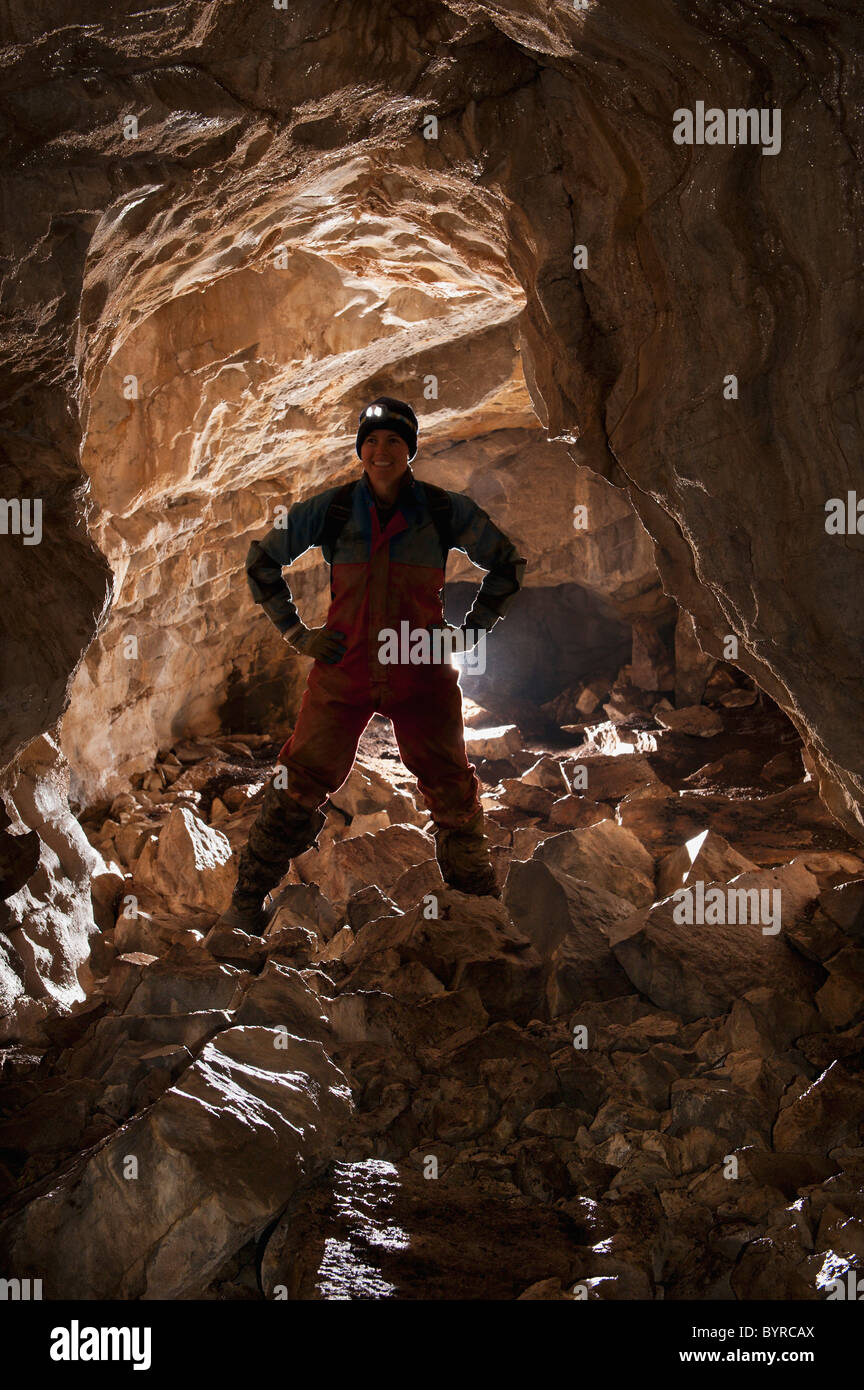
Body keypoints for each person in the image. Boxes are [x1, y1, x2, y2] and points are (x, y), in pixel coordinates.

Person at [215, 395, 526, 934]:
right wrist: (294, 633)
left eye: (395, 441)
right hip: (346, 668)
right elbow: (262, 559)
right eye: (372, 441)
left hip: (420, 668)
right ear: (361, 449)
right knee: (298, 779)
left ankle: (482, 915)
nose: (382, 451)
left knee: (453, 787)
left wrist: (472, 631)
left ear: (410, 450)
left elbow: (506, 562)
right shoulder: (333, 510)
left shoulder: (442, 510)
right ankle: (243, 909)